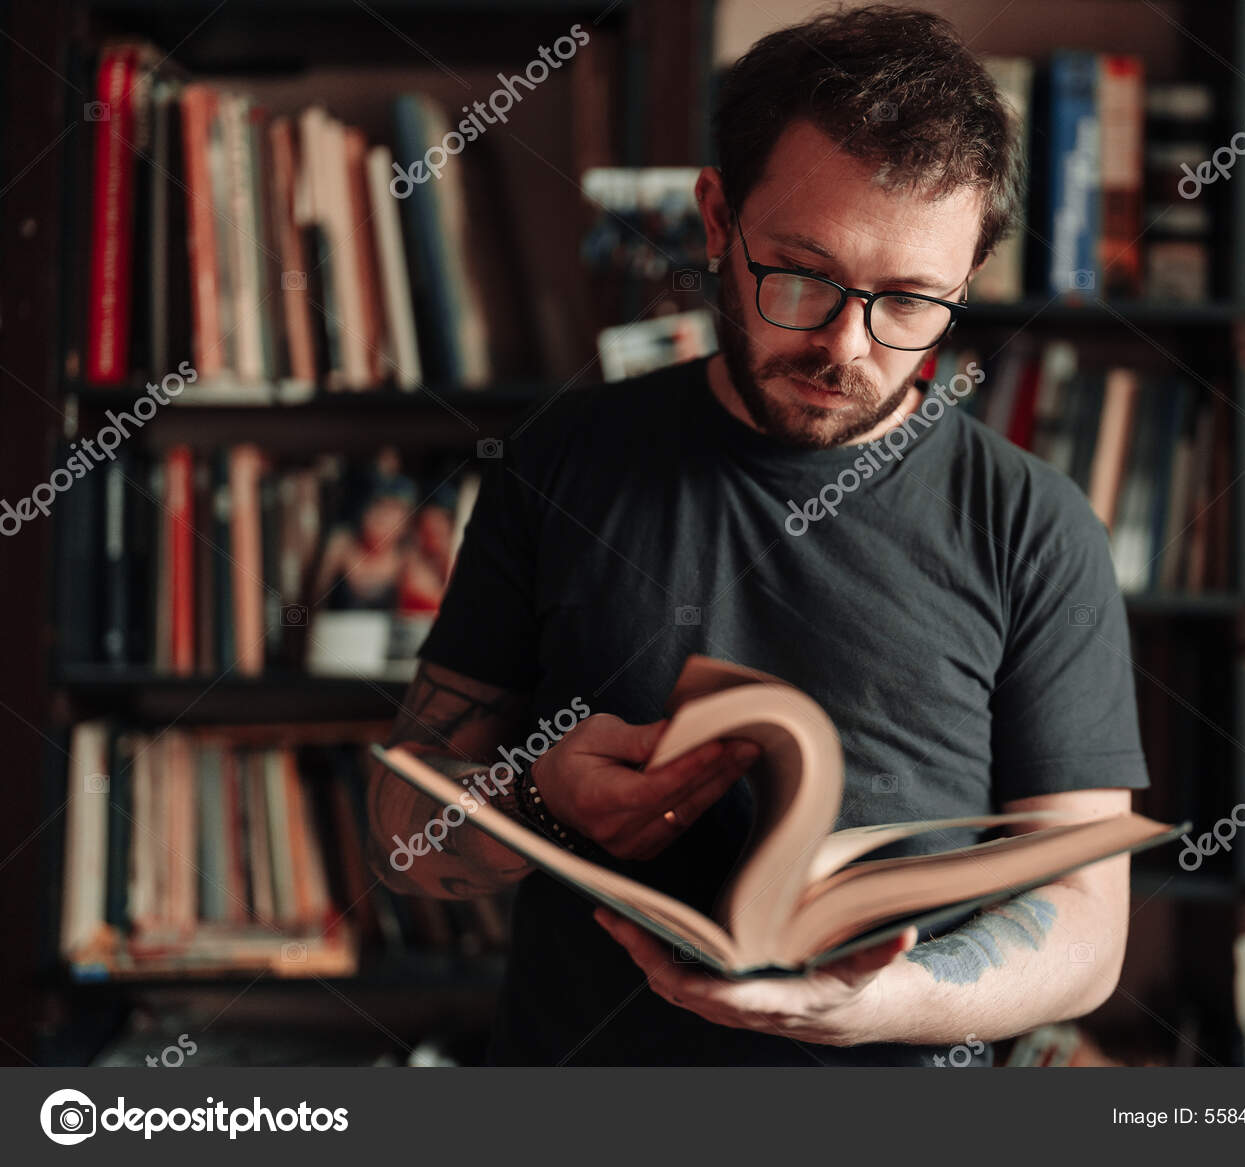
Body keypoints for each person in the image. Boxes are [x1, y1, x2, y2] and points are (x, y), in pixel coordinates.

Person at [369, 4, 1149, 1066]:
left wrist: (875, 1003)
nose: (847, 345)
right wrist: (542, 804)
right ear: (716, 221)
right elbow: (401, 839)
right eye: (803, 274)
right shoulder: (560, 460)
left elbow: (1088, 927)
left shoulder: (1033, 525)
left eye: (913, 300)